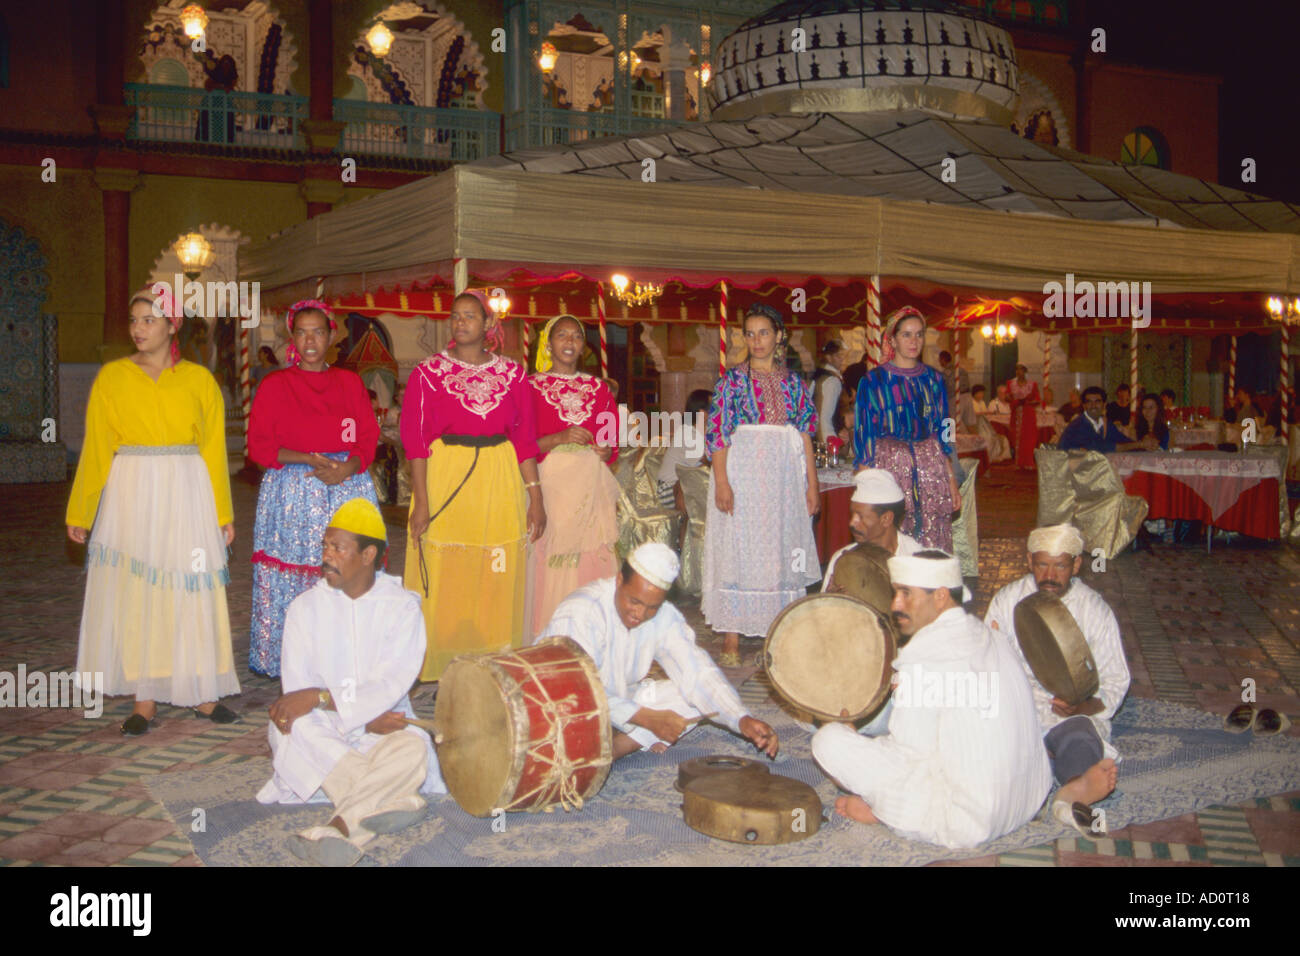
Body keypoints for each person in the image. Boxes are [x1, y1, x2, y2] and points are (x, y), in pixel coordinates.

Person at [66, 290, 239, 736]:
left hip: (187, 490)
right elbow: (97, 449)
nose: (138, 328)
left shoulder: (200, 381)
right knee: (139, 587)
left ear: (172, 325)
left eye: (149, 320)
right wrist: (81, 510)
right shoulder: (113, 377)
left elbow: (214, 452)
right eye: (134, 320)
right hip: (132, 492)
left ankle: (203, 691)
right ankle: (144, 698)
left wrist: (222, 512)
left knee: (189, 584)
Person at [810, 551, 1051, 849]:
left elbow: (909, 754)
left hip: (965, 822)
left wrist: (847, 731)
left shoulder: (924, 660)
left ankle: (883, 812)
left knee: (828, 740)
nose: (895, 605)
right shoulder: (989, 635)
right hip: (1027, 797)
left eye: (906, 594)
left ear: (939, 597)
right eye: (896, 593)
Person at [257, 500, 446, 867]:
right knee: (291, 725)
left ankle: (341, 827)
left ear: (368, 554)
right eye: (325, 546)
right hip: (323, 725)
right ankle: (396, 799)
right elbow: (297, 693)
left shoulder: (402, 607)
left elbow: (393, 680)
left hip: (384, 721)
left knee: (413, 747)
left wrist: (332, 702)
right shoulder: (304, 607)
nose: (326, 556)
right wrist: (347, 713)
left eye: (337, 548)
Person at [402, 291, 545, 681]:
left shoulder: (513, 374)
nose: (460, 322)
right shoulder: (427, 373)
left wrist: (536, 496)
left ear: (488, 325)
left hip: (500, 478)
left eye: (470, 316)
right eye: (455, 316)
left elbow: (525, 439)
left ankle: (494, 657)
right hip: (445, 472)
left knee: (496, 567)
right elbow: (415, 441)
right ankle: (444, 659)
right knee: (449, 567)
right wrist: (422, 501)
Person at [538, 543, 779, 760]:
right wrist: (645, 718)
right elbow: (575, 688)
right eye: (634, 601)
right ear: (619, 580)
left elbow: (697, 672)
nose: (640, 614)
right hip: (561, 703)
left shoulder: (664, 616)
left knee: (693, 696)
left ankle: (619, 746)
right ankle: (630, 736)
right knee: (572, 704)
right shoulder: (582, 611)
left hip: (623, 701)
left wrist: (741, 719)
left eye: (651, 607)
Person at [245, 300, 380, 678]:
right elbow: (259, 447)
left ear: (331, 336)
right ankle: (294, 659)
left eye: (318, 331)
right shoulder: (275, 385)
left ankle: (345, 659)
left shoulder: (348, 383)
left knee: (345, 570)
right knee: (298, 573)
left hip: (344, 487)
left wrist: (348, 467)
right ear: (292, 336)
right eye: (302, 331)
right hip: (293, 487)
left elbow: (364, 436)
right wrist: (305, 458)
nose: (310, 340)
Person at [984, 524, 1129, 834]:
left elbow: (1116, 679)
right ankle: (1040, 787)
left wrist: (1082, 707)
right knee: (992, 734)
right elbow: (989, 662)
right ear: (1029, 561)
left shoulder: (1094, 610)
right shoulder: (1008, 600)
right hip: (1018, 705)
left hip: (1073, 713)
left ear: (1076, 564)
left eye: (1060, 565)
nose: (1049, 575)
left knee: (1079, 739)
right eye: (1041, 564)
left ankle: (1072, 791)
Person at [704, 303, 821, 667]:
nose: (756, 341)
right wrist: (722, 482)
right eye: (750, 334)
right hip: (743, 475)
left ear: (779, 336)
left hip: (783, 479)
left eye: (764, 333)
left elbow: (805, 435)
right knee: (739, 548)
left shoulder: (793, 384)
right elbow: (718, 435)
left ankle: (779, 632)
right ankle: (732, 637)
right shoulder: (732, 381)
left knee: (779, 551)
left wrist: (811, 486)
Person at [526, 314, 620, 638]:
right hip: (551, 485)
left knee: (592, 556)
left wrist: (607, 450)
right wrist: (559, 438)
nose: (569, 342)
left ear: (583, 346)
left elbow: (611, 436)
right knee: (556, 559)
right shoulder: (530, 388)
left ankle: (592, 634)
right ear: (548, 345)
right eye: (561, 336)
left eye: (576, 336)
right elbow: (520, 445)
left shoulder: (598, 388)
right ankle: (554, 634)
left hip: (589, 484)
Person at [854, 306, 959, 552]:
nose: (914, 341)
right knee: (891, 538)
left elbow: (945, 428)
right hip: (889, 466)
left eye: (919, 334)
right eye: (906, 335)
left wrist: (952, 480)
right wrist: (863, 484)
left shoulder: (934, 379)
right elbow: (864, 434)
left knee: (932, 538)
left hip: (931, 469)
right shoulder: (873, 381)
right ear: (892, 339)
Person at [822, 468, 923, 590]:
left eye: (860, 516)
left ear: (886, 519)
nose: (852, 523)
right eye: (852, 515)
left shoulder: (914, 558)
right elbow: (824, 607)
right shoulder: (842, 560)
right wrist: (832, 600)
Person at [1058, 387, 1156, 453]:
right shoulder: (1077, 426)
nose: (1093, 406)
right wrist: (1140, 444)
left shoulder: (1105, 424)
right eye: (1089, 402)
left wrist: (1145, 445)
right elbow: (1103, 447)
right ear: (1084, 406)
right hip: (1071, 476)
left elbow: (1124, 441)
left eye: (1097, 401)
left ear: (1104, 405)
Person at [657, 389, 710, 508]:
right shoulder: (687, 433)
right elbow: (708, 461)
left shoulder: (703, 433)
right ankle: (687, 526)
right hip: (669, 490)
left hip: (685, 487)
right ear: (702, 413)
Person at [1006, 364, 1042, 470]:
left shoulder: (1032, 384)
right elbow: (1008, 397)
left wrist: (1027, 401)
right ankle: (1018, 461)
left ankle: (1028, 461)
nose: (1018, 372)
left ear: (1025, 371)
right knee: (1016, 436)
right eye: (1017, 370)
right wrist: (1015, 401)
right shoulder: (1011, 383)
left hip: (1028, 414)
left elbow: (1037, 400)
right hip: (1016, 412)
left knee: (1029, 437)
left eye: (1021, 370)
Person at [813, 340, 847, 442]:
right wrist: (830, 441)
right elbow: (825, 417)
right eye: (838, 356)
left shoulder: (819, 375)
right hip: (825, 437)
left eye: (843, 355)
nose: (842, 359)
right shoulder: (832, 381)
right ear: (829, 358)